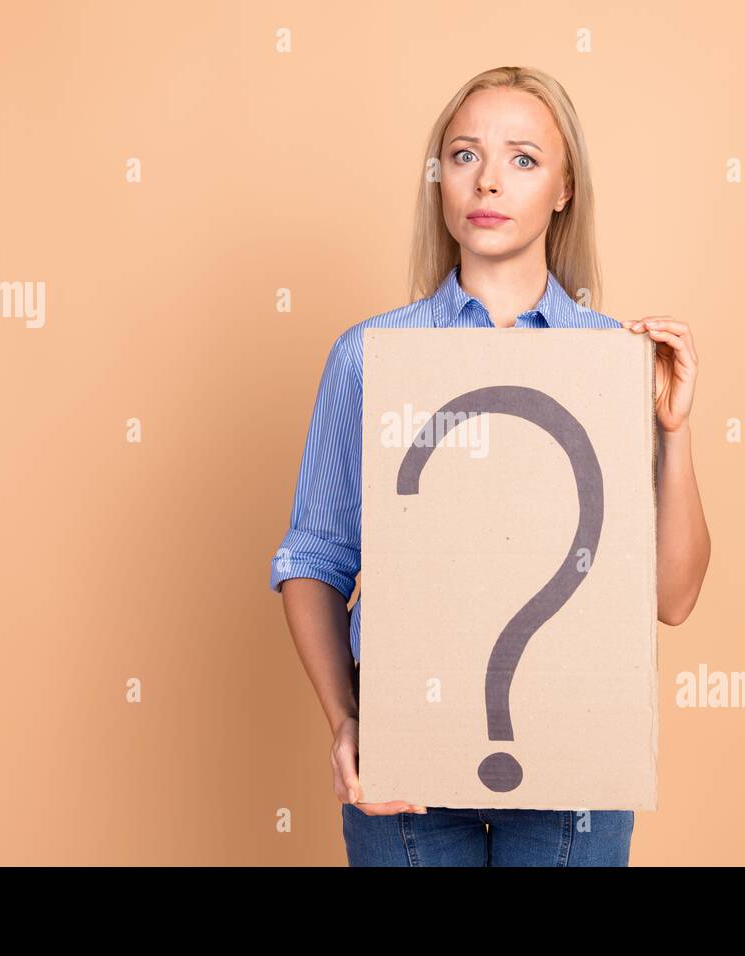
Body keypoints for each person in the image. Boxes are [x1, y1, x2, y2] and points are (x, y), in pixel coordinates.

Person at [269, 65, 710, 866]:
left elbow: (672, 598)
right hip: (404, 771)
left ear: (565, 187)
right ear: (440, 179)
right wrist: (346, 723)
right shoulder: (369, 358)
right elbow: (314, 559)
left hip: (574, 773)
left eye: (524, 159)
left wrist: (673, 434)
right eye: (465, 155)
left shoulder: (612, 361)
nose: (490, 180)